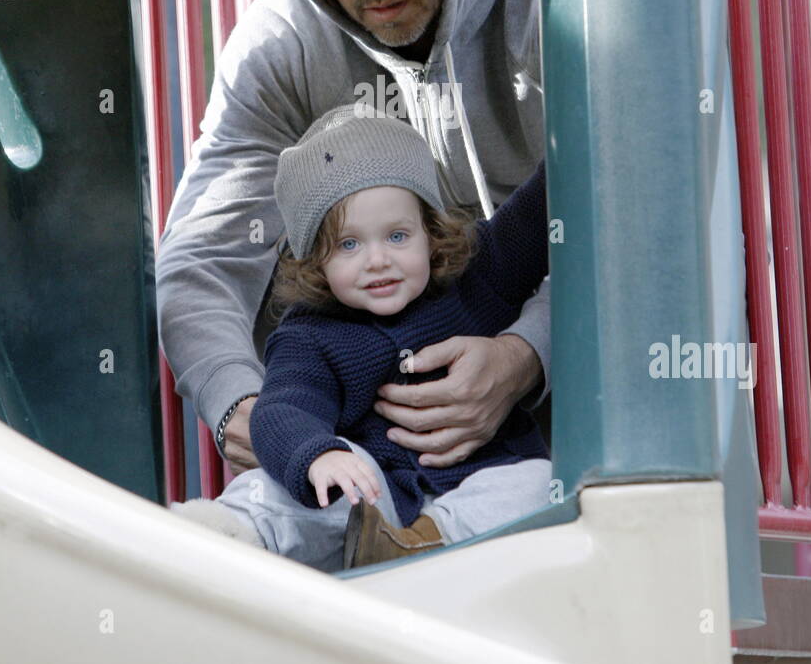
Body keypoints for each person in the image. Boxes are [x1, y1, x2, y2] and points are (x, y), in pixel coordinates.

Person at [156, 0, 551, 479]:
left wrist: (526, 356)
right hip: (365, 454)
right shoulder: (283, 45)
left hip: (560, 431)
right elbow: (203, 259)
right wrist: (244, 408)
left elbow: (634, 214)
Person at [171, 105, 552, 572]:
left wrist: (578, 131)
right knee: (310, 477)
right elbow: (283, 408)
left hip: (475, 488)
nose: (377, 260)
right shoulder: (309, 335)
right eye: (349, 244)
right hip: (374, 501)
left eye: (397, 236)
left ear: (430, 234)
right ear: (314, 259)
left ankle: (423, 543)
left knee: (539, 481)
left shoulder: (475, 279)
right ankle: (230, 534)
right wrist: (318, 455)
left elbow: (537, 213)